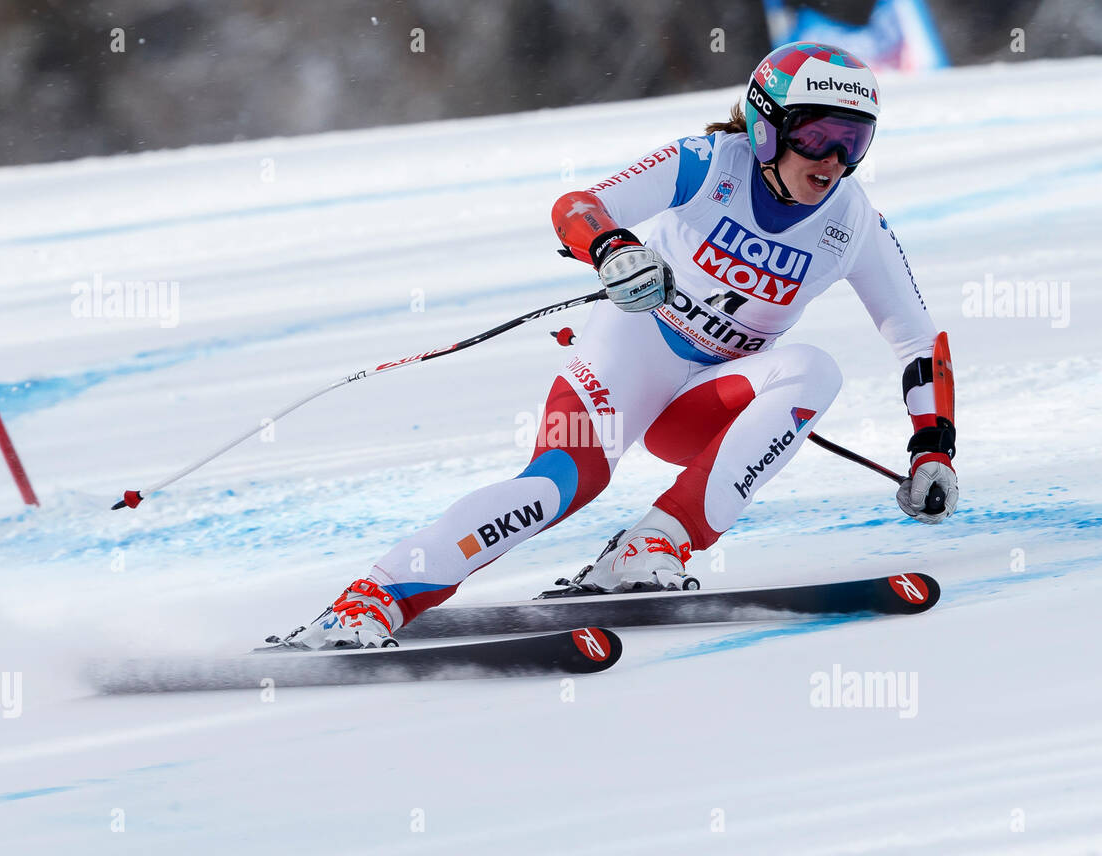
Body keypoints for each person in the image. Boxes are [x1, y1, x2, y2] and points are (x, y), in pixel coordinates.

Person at [281, 40, 958, 649]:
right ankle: (368, 601)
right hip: (631, 353)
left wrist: (934, 446)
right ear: (764, 127)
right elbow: (579, 206)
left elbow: (917, 338)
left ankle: (653, 545)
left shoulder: (852, 222)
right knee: (558, 487)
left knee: (814, 370)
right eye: (817, 136)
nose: (834, 161)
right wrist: (611, 249)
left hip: (703, 400)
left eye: (854, 140)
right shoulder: (707, 163)